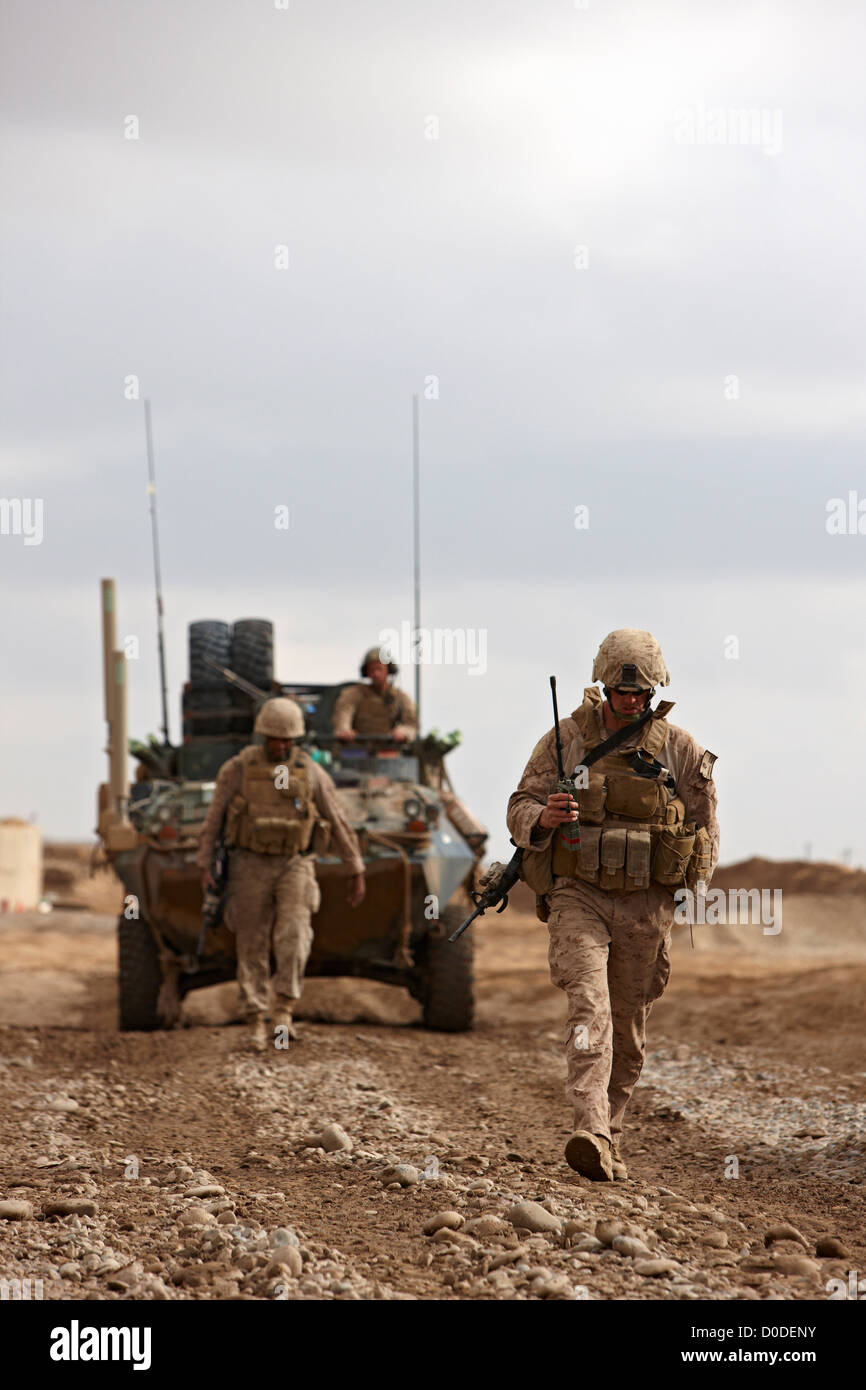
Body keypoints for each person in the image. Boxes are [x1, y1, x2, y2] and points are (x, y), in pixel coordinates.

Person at [506, 630, 719, 1181]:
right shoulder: (566, 740)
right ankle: (591, 1128)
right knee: (589, 1010)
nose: (629, 701)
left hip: (646, 907)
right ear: (603, 684)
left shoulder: (680, 749)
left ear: (653, 692)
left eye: (639, 693)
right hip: (581, 897)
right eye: (620, 691)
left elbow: (705, 825)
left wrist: (695, 885)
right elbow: (520, 804)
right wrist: (542, 818)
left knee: (626, 1030)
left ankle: (610, 1133)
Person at [197, 697, 365, 1052]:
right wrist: (204, 865)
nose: (281, 745)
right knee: (251, 941)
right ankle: (255, 1018)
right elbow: (213, 821)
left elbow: (337, 820)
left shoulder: (311, 770)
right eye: (275, 739)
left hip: (295, 863)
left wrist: (355, 868)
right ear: (263, 736)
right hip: (248, 864)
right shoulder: (238, 769)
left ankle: (284, 1012)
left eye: (288, 739)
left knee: (294, 935)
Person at [332, 647, 417, 742]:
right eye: (372, 670)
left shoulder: (401, 697)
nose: (376, 673)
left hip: (389, 747)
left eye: (379, 669)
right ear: (366, 672)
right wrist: (345, 730)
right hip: (357, 748)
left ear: (388, 670)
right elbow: (344, 714)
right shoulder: (353, 694)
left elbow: (411, 724)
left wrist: (403, 732)